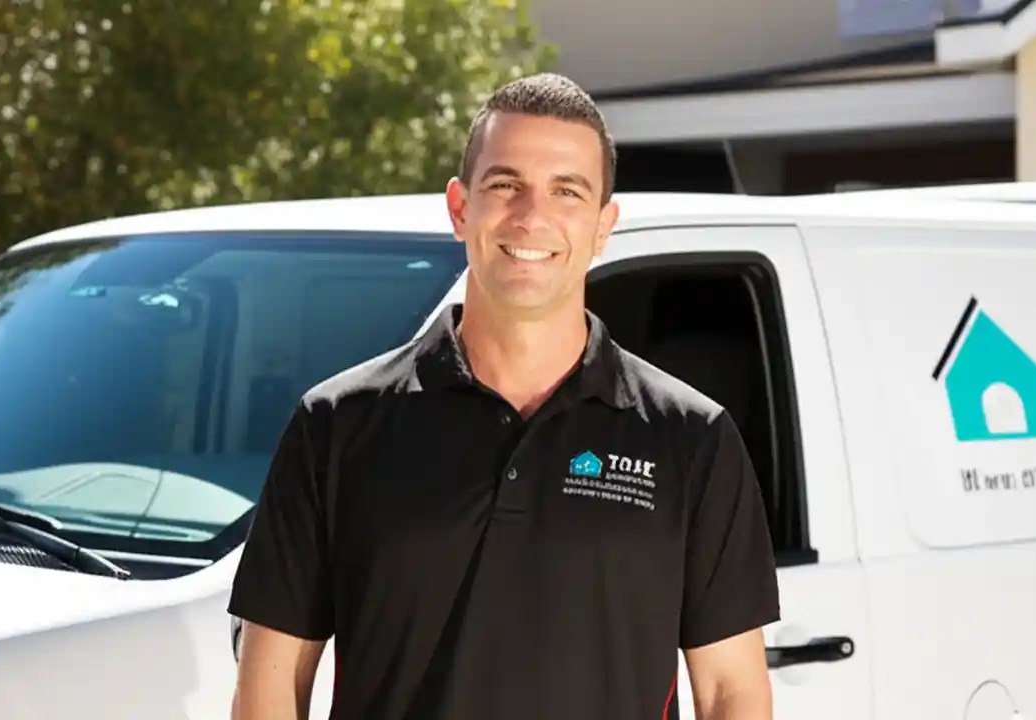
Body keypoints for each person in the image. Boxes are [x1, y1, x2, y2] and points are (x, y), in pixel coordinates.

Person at [228, 72, 780, 719]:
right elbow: (269, 687)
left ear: (603, 224)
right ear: (460, 207)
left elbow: (730, 691)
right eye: (505, 185)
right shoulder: (337, 424)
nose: (531, 216)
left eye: (566, 191)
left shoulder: (691, 438)